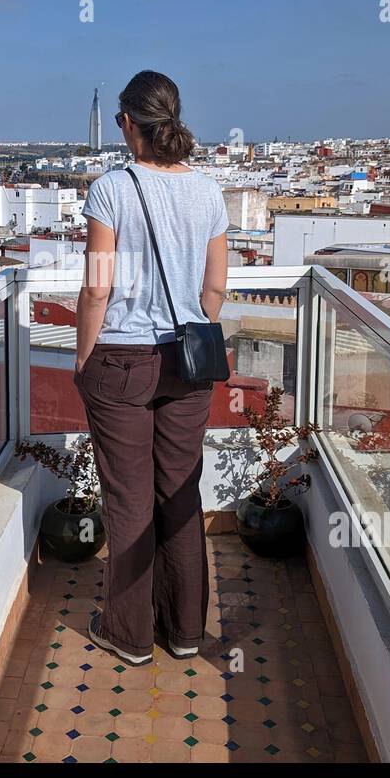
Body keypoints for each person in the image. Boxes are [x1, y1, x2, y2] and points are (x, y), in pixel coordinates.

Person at [74, 70, 229, 664]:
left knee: (128, 497)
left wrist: (84, 354)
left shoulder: (112, 189)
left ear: (131, 124)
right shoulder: (209, 191)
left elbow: (96, 288)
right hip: (188, 360)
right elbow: (215, 285)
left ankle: (130, 634)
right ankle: (186, 631)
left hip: (121, 357)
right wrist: (192, 321)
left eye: (120, 120)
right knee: (179, 494)